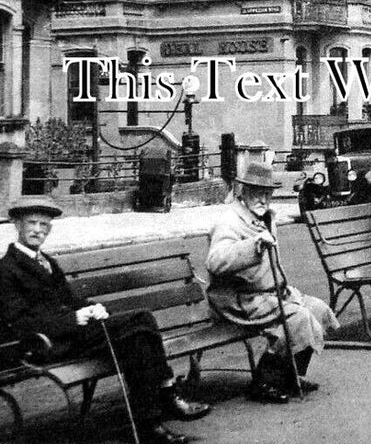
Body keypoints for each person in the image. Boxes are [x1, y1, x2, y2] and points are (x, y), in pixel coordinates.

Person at [0, 197, 210, 444]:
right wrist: (72, 319)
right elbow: (19, 322)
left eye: (44, 225)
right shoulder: (7, 269)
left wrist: (92, 308)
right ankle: (166, 393)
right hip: (44, 344)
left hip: (72, 334)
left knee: (138, 338)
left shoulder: (46, 261)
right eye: (31, 223)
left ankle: (151, 425)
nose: (38, 230)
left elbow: (70, 298)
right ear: (17, 224)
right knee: (141, 320)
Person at [206, 163, 338, 404]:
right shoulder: (230, 221)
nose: (263, 199)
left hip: (270, 293)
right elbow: (215, 261)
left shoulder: (265, 218)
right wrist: (252, 245)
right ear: (242, 191)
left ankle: (292, 375)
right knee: (298, 318)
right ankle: (265, 382)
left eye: (267, 193)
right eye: (257, 192)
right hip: (239, 299)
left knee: (317, 308)